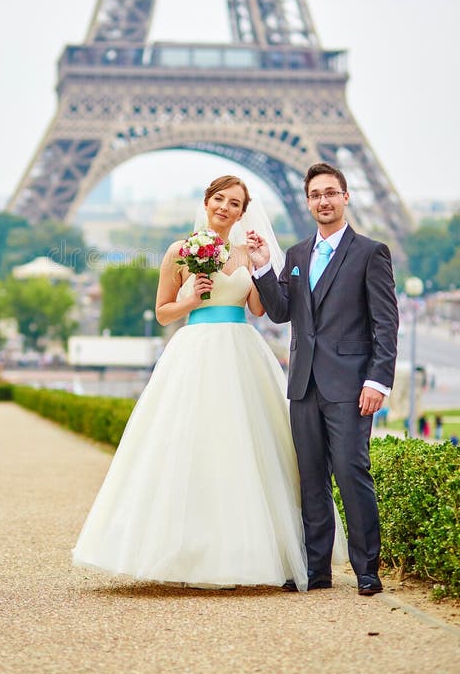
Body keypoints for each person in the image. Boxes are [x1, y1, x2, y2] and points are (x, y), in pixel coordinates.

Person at [73, 175, 345, 590]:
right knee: (191, 446)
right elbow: (164, 312)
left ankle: (243, 554)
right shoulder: (179, 251)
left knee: (240, 448)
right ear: (206, 201)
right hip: (196, 348)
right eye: (220, 199)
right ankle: (188, 554)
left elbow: (256, 308)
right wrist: (189, 299)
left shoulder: (243, 253)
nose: (226, 208)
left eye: (235, 203)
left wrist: (258, 265)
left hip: (239, 348)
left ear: (242, 211)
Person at [248, 162, 399, 597]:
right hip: (304, 387)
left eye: (331, 192)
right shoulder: (295, 256)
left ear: (346, 196)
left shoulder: (371, 253)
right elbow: (279, 312)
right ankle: (317, 571)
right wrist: (261, 267)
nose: (323, 201)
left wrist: (379, 381)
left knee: (353, 474)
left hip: (352, 386)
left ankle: (367, 570)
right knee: (311, 478)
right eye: (316, 194)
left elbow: (385, 325)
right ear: (308, 200)